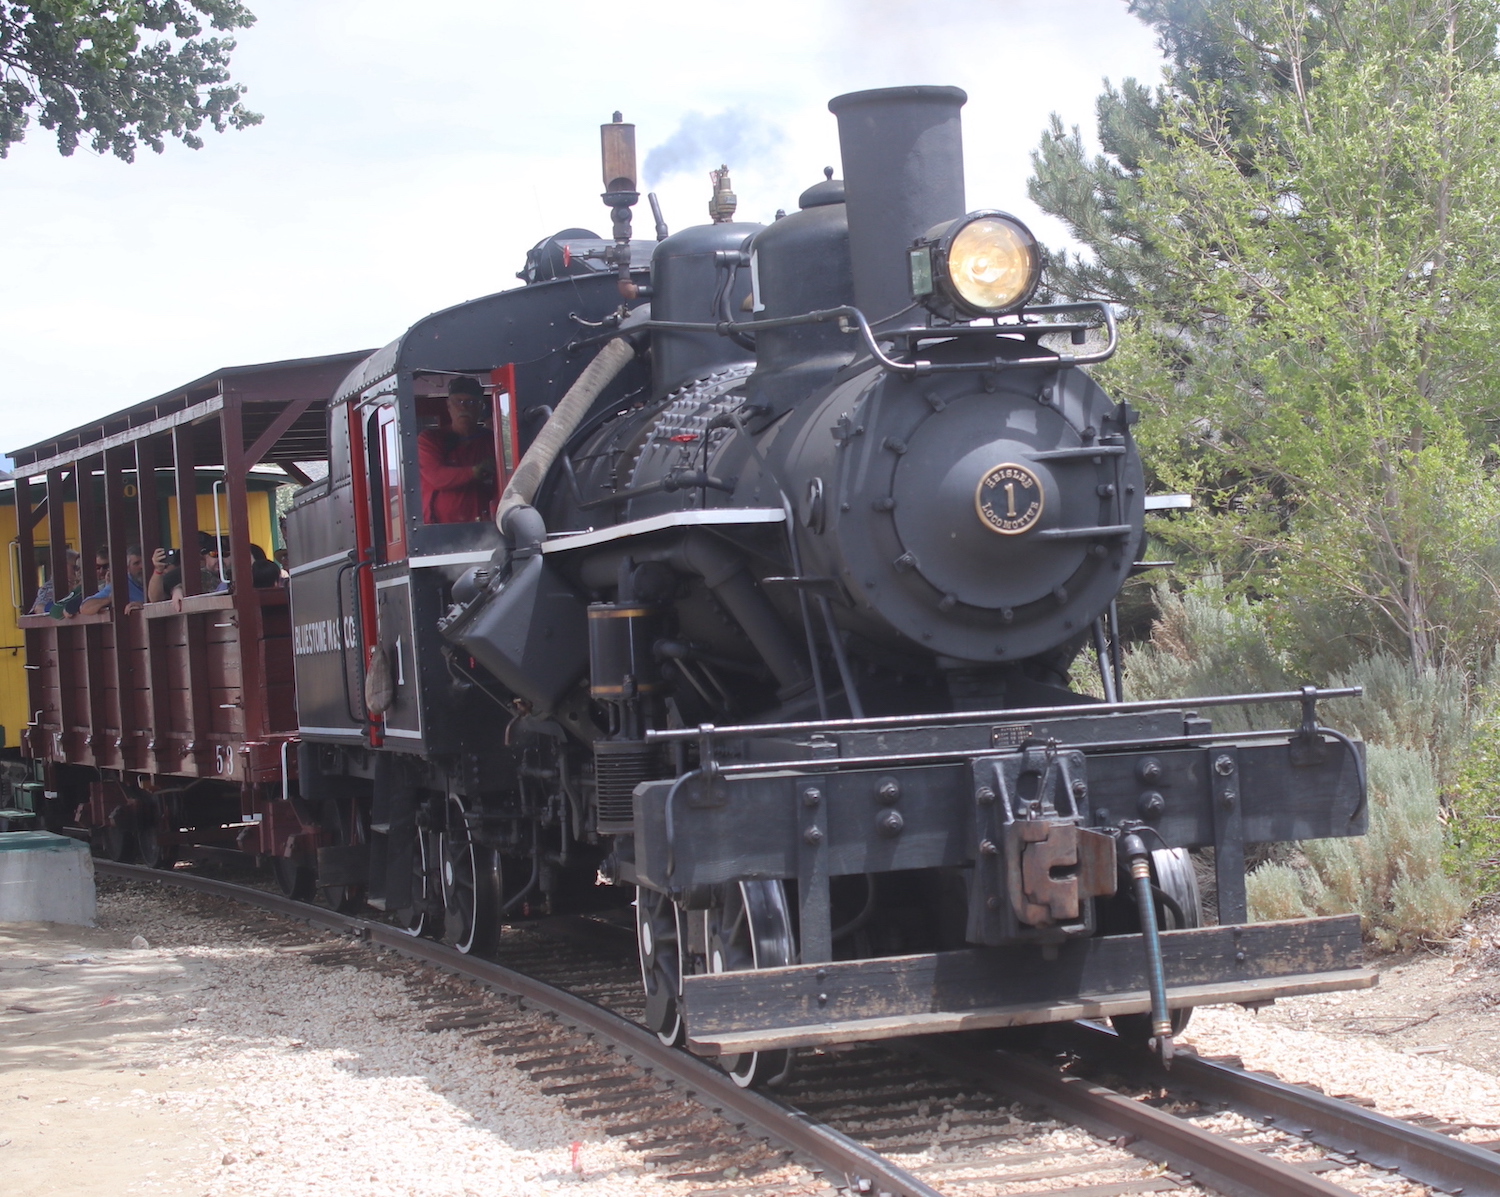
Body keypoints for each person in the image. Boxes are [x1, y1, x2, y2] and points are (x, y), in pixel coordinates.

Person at [418, 377, 495, 523]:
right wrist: (475, 471)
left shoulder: (493, 440)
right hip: (440, 532)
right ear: (448, 406)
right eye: (458, 402)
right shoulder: (430, 439)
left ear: (481, 407)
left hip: (487, 529)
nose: (464, 407)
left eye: (471, 402)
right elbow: (436, 476)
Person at [80, 545, 147, 614]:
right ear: (127, 567)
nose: (142, 566)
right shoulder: (122, 584)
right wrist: (111, 598)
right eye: (136, 563)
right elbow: (85, 607)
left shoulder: (157, 578)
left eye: (145, 561)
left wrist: (143, 605)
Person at [28, 548, 80, 616]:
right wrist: (60, 609)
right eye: (75, 567)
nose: (78, 570)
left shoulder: (80, 584)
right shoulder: (51, 586)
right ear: (62, 566)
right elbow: (39, 608)